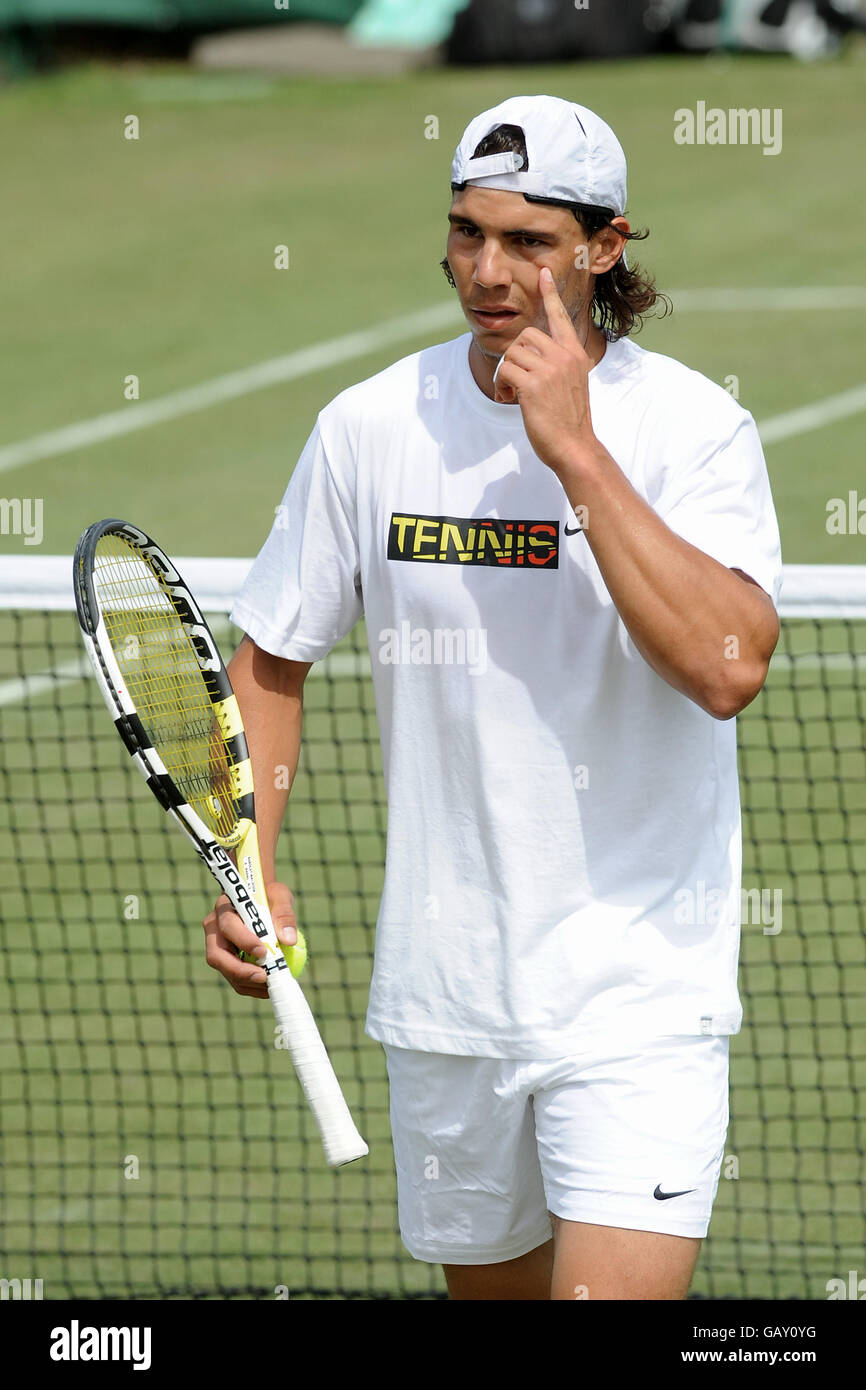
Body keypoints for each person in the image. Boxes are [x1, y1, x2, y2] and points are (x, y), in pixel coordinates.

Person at [202, 95, 782, 1301]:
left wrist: (571, 449)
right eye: (465, 232)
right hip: (446, 1004)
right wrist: (250, 859)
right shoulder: (368, 425)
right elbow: (271, 658)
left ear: (603, 246)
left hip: (635, 1007)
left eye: (526, 241)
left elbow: (725, 666)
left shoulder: (690, 428)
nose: (485, 270)